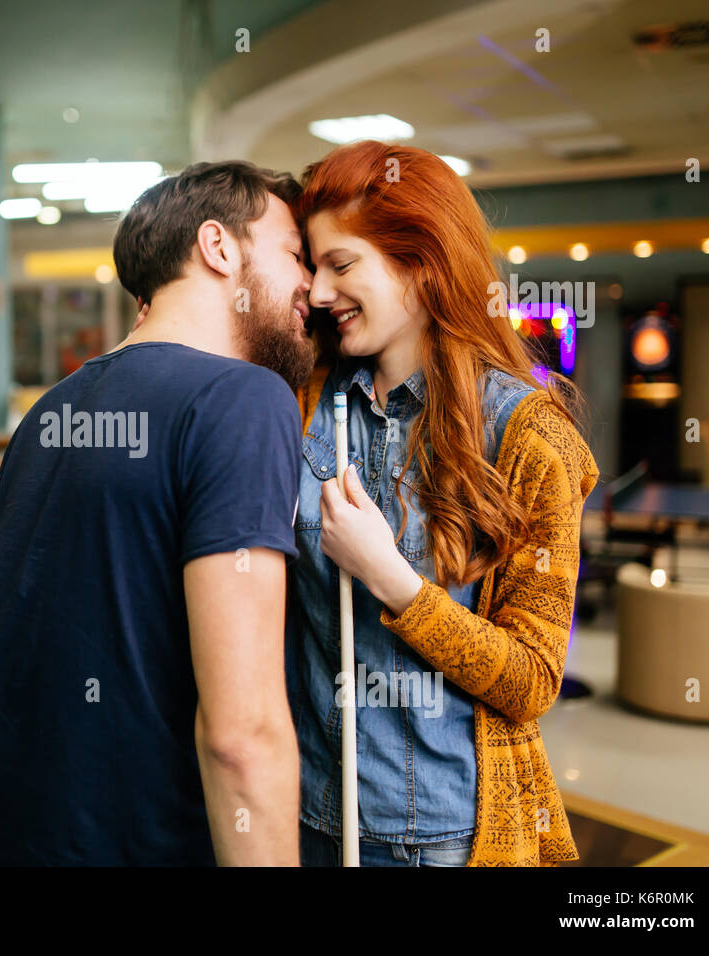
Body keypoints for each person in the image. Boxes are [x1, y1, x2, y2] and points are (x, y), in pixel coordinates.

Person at [0, 160, 316, 866]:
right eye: (295, 255)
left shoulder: (51, 410)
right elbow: (242, 734)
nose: (312, 287)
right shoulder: (242, 399)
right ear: (219, 247)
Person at [286, 141, 598, 867]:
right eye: (314, 268)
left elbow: (530, 681)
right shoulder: (301, 403)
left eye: (342, 265)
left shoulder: (526, 435)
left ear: (420, 263)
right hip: (308, 819)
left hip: (443, 839)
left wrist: (388, 576)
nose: (321, 294)